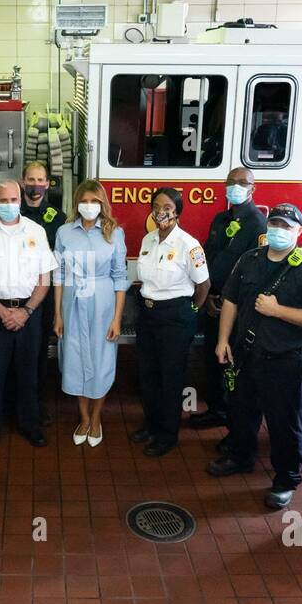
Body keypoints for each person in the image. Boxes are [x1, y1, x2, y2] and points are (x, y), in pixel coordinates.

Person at [209, 204, 302, 509]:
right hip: (246, 353)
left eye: (287, 226)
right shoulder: (249, 259)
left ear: (299, 231)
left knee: (284, 422)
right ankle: (240, 457)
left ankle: (286, 479)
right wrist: (223, 340)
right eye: (274, 223)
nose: (279, 230)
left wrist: (278, 311)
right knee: (241, 411)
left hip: (284, 360)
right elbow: (231, 301)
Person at [0, 179, 57, 455]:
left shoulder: (37, 232)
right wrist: (4, 312)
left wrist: (26, 311)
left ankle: (30, 424)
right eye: (2, 201)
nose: (8, 205)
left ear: (20, 200)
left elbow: (45, 280)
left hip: (29, 314)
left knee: (29, 372)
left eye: (13, 200)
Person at [132, 187, 211, 458]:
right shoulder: (148, 240)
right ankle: (151, 425)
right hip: (148, 314)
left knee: (170, 378)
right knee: (149, 375)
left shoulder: (188, 244)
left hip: (175, 318)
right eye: (156, 205)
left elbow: (204, 285)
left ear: (177, 211)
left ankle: (167, 435)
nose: (160, 211)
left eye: (167, 206)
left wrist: (191, 312)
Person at [190, 167, 267, 431]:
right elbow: (208, 259)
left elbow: (253, 270)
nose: (236, 187)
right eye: (231, 182)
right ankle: (216, 409)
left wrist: (225, 299)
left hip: (234, 306)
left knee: (232, 364)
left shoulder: (258, 224)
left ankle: (233, 420)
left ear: (252, 188)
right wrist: (209, 295)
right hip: (213, 301)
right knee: (213, 359)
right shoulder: (220, 219)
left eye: (242, 183)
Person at [53, 180, 129, 447]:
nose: (89, 206)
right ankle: (83, 417)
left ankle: (96, 418)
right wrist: (58, 315)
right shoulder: (64, 232)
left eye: (94, 201)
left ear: (102, 204)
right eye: (84, 201)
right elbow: (59, 275)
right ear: (76, 203)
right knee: (74, 360)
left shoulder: (114, 233)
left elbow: (120, 277)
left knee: (100, 361)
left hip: (102, 304)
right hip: (72, 302)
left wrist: (117, 318)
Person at [20, 161, 65, 426]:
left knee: (37, 353)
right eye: (31, 179)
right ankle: (13, 402)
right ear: (23, 180)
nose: (36, 185)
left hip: (43, 296)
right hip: (17, 292)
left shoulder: (57, 217)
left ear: (48, 184)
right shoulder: (13, 212)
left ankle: (37, 403)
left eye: (41, 180)